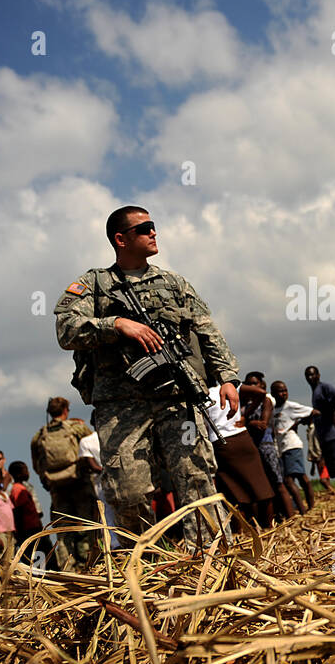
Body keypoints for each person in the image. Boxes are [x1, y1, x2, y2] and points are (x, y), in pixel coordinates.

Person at [55, 205, 241, 552]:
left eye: (154, 226)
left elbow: (206, 331)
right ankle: (146, 562)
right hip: (121, 405)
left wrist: (227, 378)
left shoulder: (173, 283)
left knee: (195, 477)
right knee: (128, 489)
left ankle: (210, 558)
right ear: (120, 239)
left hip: (176, 397)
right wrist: (116, 325)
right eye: (145, 228)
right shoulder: (95, 284)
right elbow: (66, 329)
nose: (154, 232)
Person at [30, 397, 99, 568]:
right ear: (66, 411)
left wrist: (50, 479)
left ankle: (67, 568)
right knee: (86, 525)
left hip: (57, 488)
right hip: (81, 483)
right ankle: (88, 566)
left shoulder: (39, 435)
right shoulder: (77, 428)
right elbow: (93, 446)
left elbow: (36, 465)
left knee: (62, 531)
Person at [204, 384, 275, 530]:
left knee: (234, 492)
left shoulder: (199, 395)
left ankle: (241, 532)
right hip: (243, 438)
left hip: (221, 444)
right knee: (261, 486)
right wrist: (245, 415)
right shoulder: (229, 387)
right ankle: (269, 527)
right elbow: (262, 393)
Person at [240, 373, 302, 521]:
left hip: (266, 446)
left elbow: (263, 424)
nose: (252, 386)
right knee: (265, 486)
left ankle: (292, 517)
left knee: (278, 483)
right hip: (254, 449)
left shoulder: (265, 401)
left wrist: (247, 423)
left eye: (255, 383)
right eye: (249, 383)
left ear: (262, 385)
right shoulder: (245, 405)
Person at [305, 366, 335, 491]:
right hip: (324, 437)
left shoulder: (323, 387)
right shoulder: (315, 391)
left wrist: (330, 411)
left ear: (318, 375)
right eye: (308, 375)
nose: (310, 378)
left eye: (313, 374)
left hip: (333, 434)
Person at [77, 421, 123, 551]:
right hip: (120, 478)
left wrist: (103, 470)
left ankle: (114, 545)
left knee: (107, 513)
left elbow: (90, 464)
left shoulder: (86, 441)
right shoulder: (116, 435)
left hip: (101, 482)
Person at [270, 380, 316, 512]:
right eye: (280, 391)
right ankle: (308, 507)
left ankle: (305, 509)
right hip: (282, 448)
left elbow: (313, 412)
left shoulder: (290, 406)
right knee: (299, 477)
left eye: (285, 390)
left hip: (292, 445)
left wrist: (298, 423)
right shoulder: (273, 409)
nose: (284, 393)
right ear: (273, 393)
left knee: (290, 480)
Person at [9, 461, 53, 565]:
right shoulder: (18, 490)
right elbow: (18, 511)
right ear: (19, 474)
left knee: (43, 553)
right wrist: (21, 534)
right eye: (25, 470)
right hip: (29, 530)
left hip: (33, 527)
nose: (28, 473)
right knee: (36, 555)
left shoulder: (23, 488)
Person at [307, 422, 331, 491]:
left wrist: (323, 457)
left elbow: (321, 443)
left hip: (321, 457)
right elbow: (311, 448)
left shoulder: (316, 428)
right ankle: (331, 493)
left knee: (323, 480)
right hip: (317, 459)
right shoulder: (309, 430)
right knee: (325, 479)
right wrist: (313, 465)